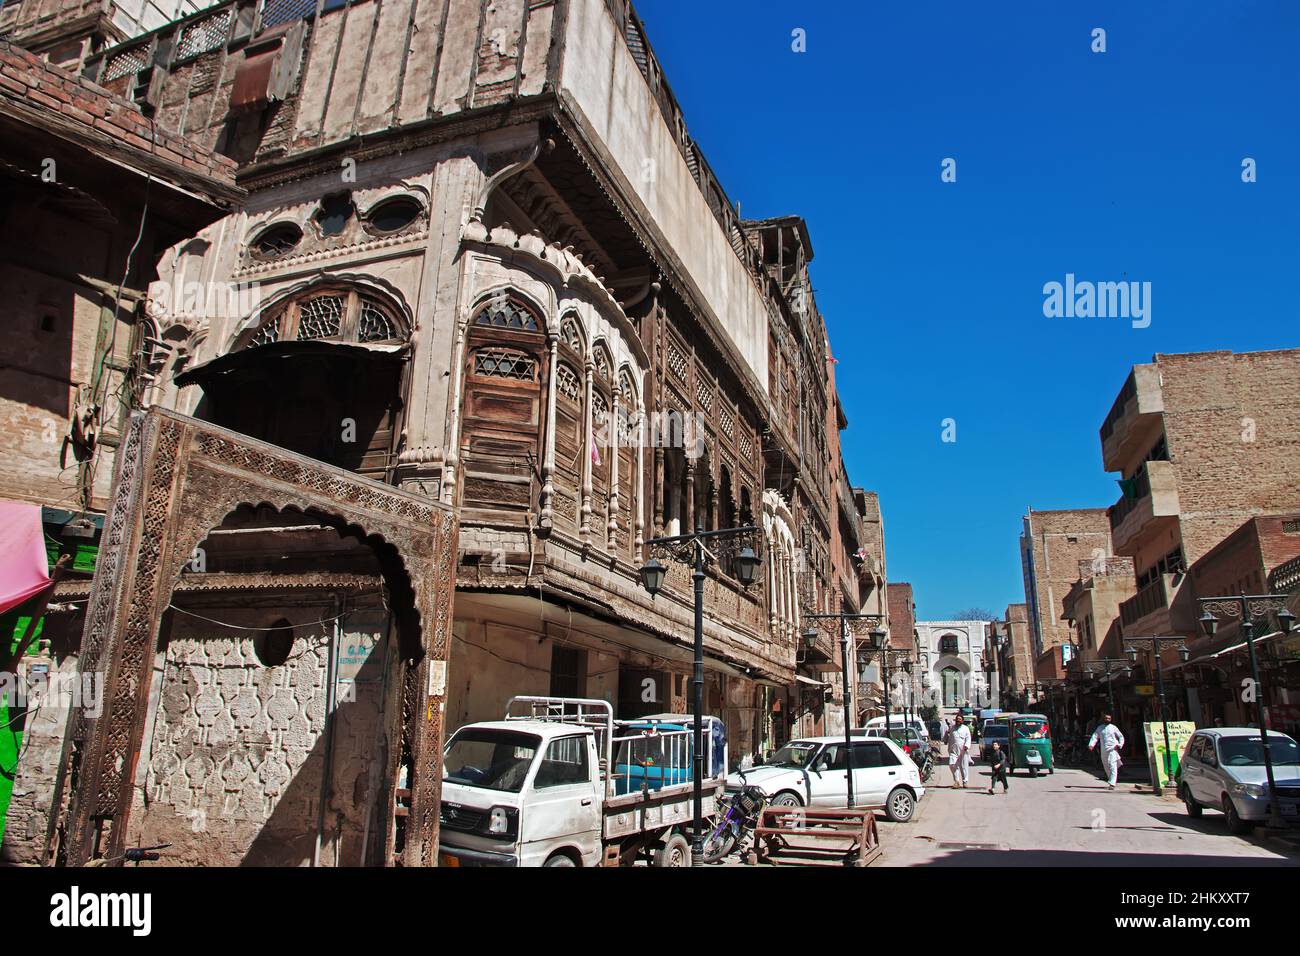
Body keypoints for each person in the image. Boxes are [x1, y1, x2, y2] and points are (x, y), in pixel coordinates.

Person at [1088, 713, 1125, 789]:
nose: (1107, 719)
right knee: (1106, 765)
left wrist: (1120, 745)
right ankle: (1111, 780)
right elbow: (1095, 736)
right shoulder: (1100, 728)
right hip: (1103, 749)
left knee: (1112, 765)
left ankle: (1112, 783)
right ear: (1103, 719)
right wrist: (1091, 745)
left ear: (1111, 720)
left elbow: (1121, 737)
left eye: (1109, 718)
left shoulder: (1113, 727)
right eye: (1106, 718)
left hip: (1112, 749)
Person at [947, 715, 972, 788]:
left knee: (964, 767)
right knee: (952, 765)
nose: (958, 720)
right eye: (957, 719)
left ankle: (965, 782)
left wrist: (966, 746)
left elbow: (968, 738)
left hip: (963, 751)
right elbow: (950, 738)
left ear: (962, 721)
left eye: (960, 719)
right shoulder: (952, 728)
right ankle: (956, 781)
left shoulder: (965, 728)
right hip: (953, 751)